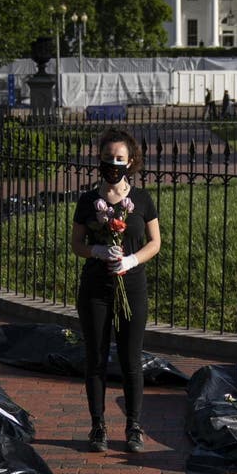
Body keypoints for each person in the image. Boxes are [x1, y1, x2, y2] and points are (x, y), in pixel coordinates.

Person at [70, 127, 161, 453]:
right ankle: (98, 426)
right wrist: (97, 251)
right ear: (100, 160)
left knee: (130, 360)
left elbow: (156, 242)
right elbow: (76, 243)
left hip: (132, 287)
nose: (113, 164)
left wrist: (132, 260)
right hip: (96, 288)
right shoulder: (88, 201)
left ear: (132, 161)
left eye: (120, 159)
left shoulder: (142, 200)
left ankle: (133, 426)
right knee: (95, 358)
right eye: (108, 158)